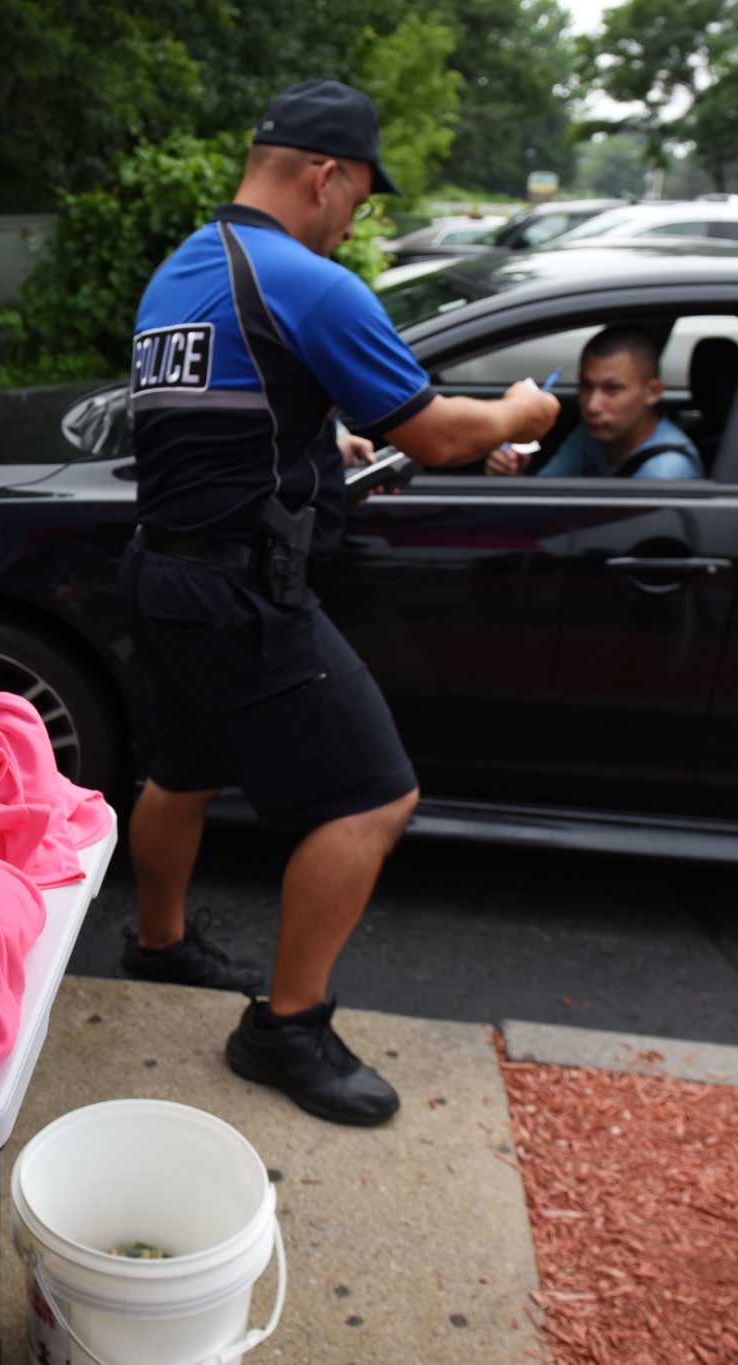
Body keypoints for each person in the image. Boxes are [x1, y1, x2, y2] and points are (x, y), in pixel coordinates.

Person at [118, 79, 558, 1126]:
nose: (353, 221)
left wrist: (324, 433)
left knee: (180, 766)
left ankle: (159, 943)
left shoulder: (181, 272)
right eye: (357, 200)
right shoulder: (308, 280)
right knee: (371, 798)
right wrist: (521, 407)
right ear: (322, 176)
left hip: (161, 575)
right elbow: (445, 432)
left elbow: (221, 412)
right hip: (236, 590)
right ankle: (284, 1028)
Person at [485, 327, 703, 480]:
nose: (592, 406)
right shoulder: (593, 437)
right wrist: (511, 475)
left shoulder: (665, 472)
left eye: (612, 389)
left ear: (653, 392)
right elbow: (549, 491)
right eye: (586, 386)